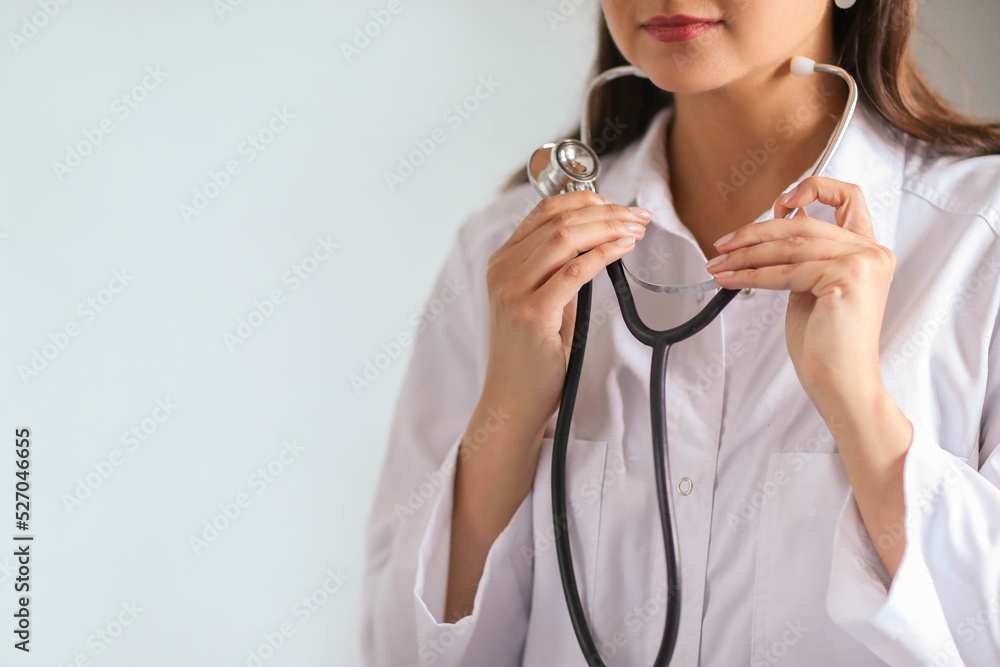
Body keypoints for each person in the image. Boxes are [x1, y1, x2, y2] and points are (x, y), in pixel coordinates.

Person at [363, 1, 1000, 664]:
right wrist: (509, 415)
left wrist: (860, 409)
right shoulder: (502, 260)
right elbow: (401, 651)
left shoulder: (981, 242)